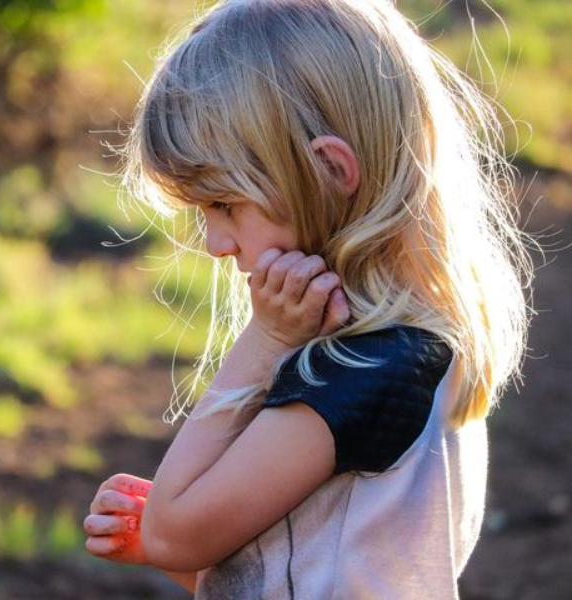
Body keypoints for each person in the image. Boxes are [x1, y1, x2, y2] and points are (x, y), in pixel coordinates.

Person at [83, 0, 532, 597]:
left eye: (224, 205)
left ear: (328, 170)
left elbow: (177, 533)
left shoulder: (362, 374)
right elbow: (292, 563)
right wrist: (167, 544)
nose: (217, 243)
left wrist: (261, 343)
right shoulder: (396, 354)